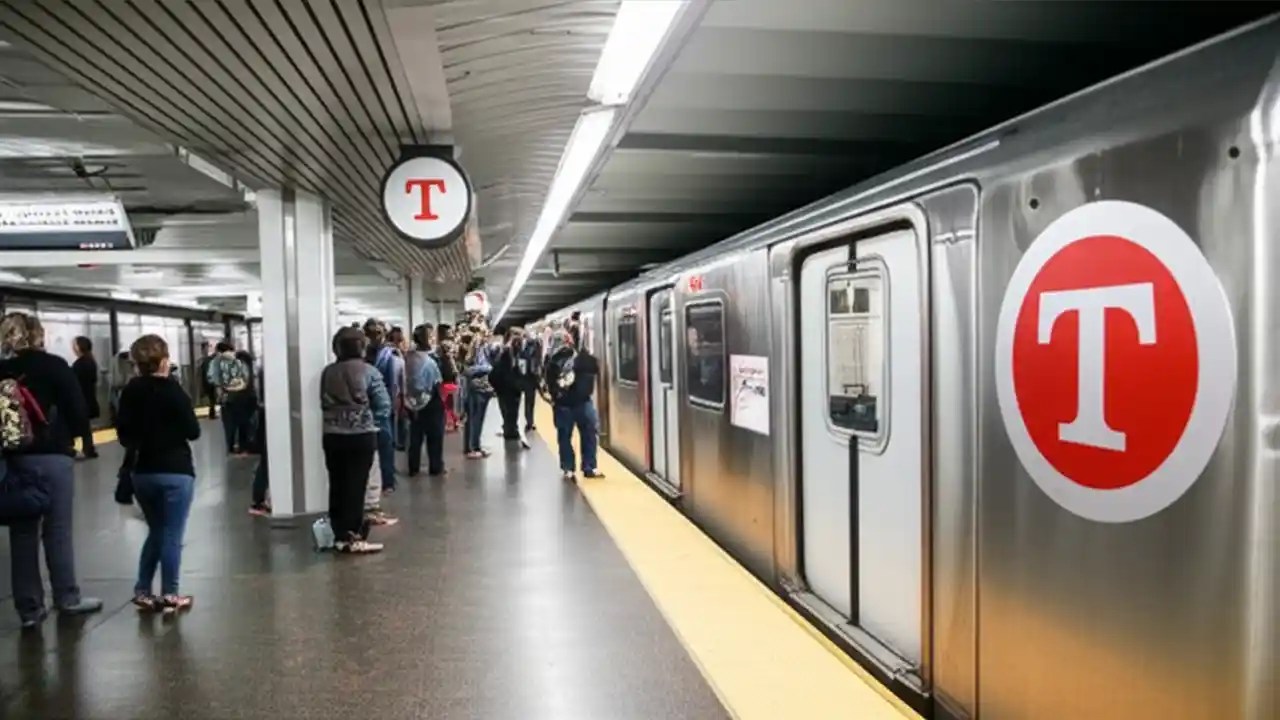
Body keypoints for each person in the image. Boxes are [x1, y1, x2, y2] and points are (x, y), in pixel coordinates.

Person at [0, 313, 103, 628]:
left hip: (12, 459)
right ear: (39, 335)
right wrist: (79, 443)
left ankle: (29, 610)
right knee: (57, 529)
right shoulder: (55, 366)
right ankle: (67, 597)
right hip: (52, 457)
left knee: (22, 532)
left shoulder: (2, 369)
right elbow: (77, 410)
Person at [116, 335, 200, 612]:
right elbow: (193, 431)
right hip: (176, 471)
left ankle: (142, 590)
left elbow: (124, 436)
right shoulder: (174, 390)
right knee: (172, 534)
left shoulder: (129, 392)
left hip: (143, 474)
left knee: (157, 531)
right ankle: (170, 595)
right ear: (165, 361)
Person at [321, 326, 391, 554]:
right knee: (356, 485)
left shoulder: (328, 372)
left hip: (332, 435)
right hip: (361, 436)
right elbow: (383, 405)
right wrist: (370, 421)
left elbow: (323, 402)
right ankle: (354, 535)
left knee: (338, 484)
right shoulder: (369, 371)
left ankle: (339, 534)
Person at [544, 329, 605, 481]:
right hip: (578, 403)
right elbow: (595, 369)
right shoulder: (573, 358)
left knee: (567, 436)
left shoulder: (554, 360)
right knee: (586, 435)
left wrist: (555, 395)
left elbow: (548, 382)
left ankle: (571, 468)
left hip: (568, 404)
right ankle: (587, 467)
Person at [363, 319, 400, 495]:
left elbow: (394, 382)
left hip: (384, 405)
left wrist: (393, 403)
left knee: (386, 443)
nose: (374, 337)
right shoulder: (362, 354)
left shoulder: (389, 354)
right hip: (364, 405)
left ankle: (388, 480)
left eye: (378, 333)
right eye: (370, 333)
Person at [404, 324, 446, 477]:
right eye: (431, 336)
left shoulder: (408, 358)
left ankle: (413, 467)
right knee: (435, 437)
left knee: (415, 437)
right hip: (431, 402)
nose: (434, 339)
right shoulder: (430, 361)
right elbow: (438, 383)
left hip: (412, 403)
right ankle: (435, 467)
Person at [206, 342, 253, 455]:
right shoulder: (241, 362)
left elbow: (212, 379)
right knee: (243, 423)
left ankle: (231, 447)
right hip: (242, 398)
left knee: (229, 425)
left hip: (227, 399)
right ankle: (243, 447)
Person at [460, 334, 494, 459]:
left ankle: (473, 446)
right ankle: (473, 447)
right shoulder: (475, 355)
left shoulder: (474, 354)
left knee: (473, 420)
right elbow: (467, 371)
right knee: (476, 420)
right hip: (478, 390)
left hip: (476, 389)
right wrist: (488, 368)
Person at [70, 336, 100, 459]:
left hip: (80, 399)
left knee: (78, 426)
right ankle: (89, 449)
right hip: (89, 398)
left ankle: (73, 448)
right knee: (85, 428)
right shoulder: (91, 362)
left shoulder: (79, 364)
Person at [248, 362, 270, 516]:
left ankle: (258, 500)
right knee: (267, 461)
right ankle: (258, 500)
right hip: (269, 416)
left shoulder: (264, 368)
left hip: (264, 415)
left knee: (266, 461)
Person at [388, 326, 410, 452]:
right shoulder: (392, 352)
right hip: (397, 388)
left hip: (399, 387)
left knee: (401, 417)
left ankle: (400, 441)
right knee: (399, 416)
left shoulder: (401, 350)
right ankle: (398, 441)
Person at [518, 330, 543, 432]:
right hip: (529, 377)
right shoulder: (527, 348)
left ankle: (529, 421)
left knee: (529, 401)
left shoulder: (528, 348)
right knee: (530, 401)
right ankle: (529, 421)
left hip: (529, 377)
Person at [197, 341, 218, 419]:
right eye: (206, 347)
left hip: (208, 380)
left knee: (212, 397)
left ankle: (212, 413)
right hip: (206, 381)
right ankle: (211, 413)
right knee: (211, 397)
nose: (207, 349)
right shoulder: (203, 359)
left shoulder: (207, 358)